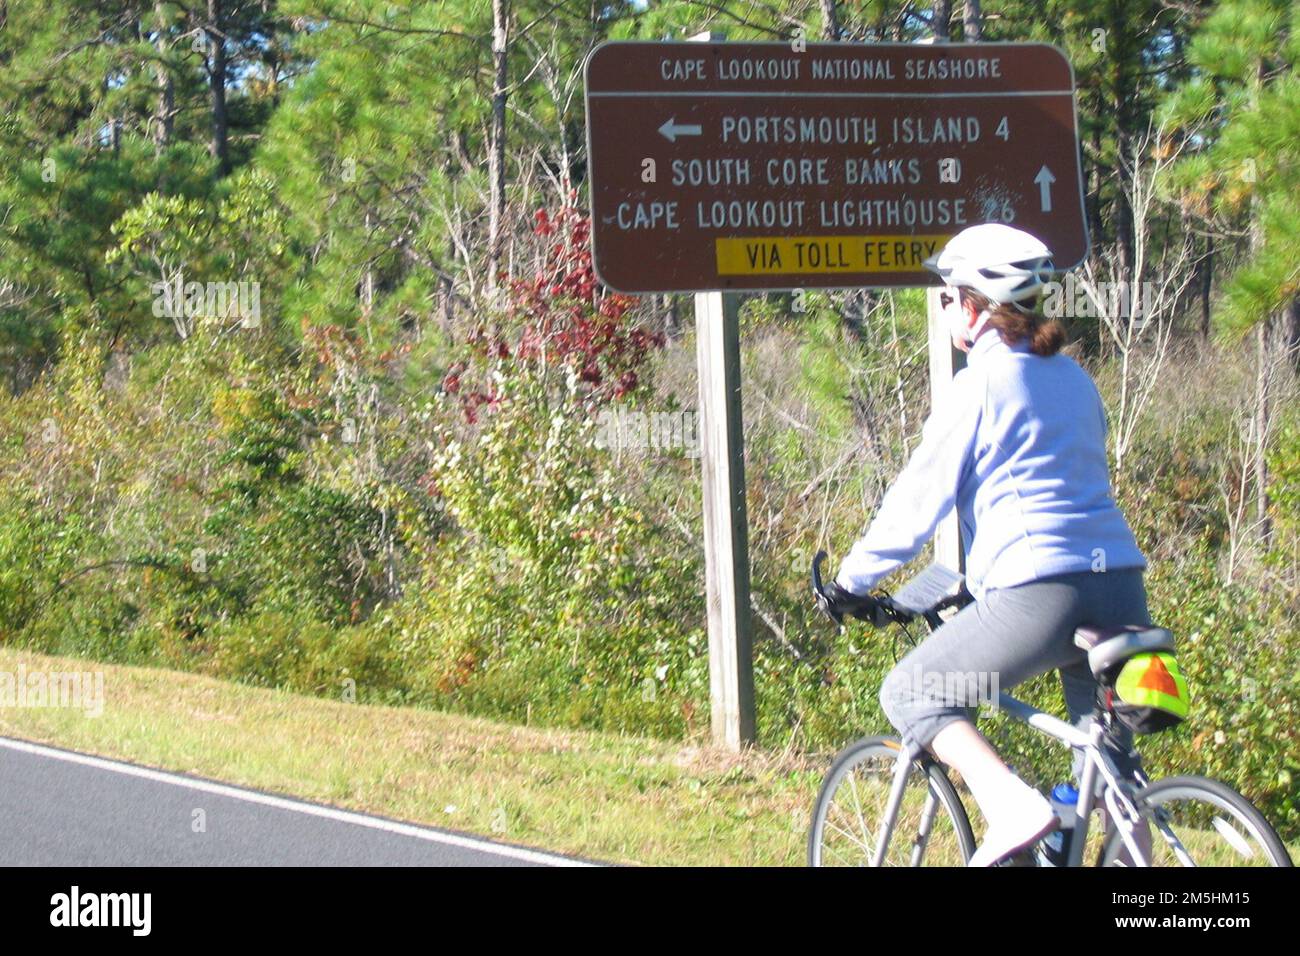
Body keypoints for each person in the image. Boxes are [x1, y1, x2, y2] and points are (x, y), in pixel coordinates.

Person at [820, 223, 1152, 866]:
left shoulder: (979, 386)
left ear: (972, 307)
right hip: (1120, 583)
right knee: (1109, 764)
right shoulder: (1075, 379)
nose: (943, 308)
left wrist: (852, 582)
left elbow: (919, 501)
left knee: (913, 691)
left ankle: (1009, 805)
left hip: (1043, 595)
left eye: (946, 297)